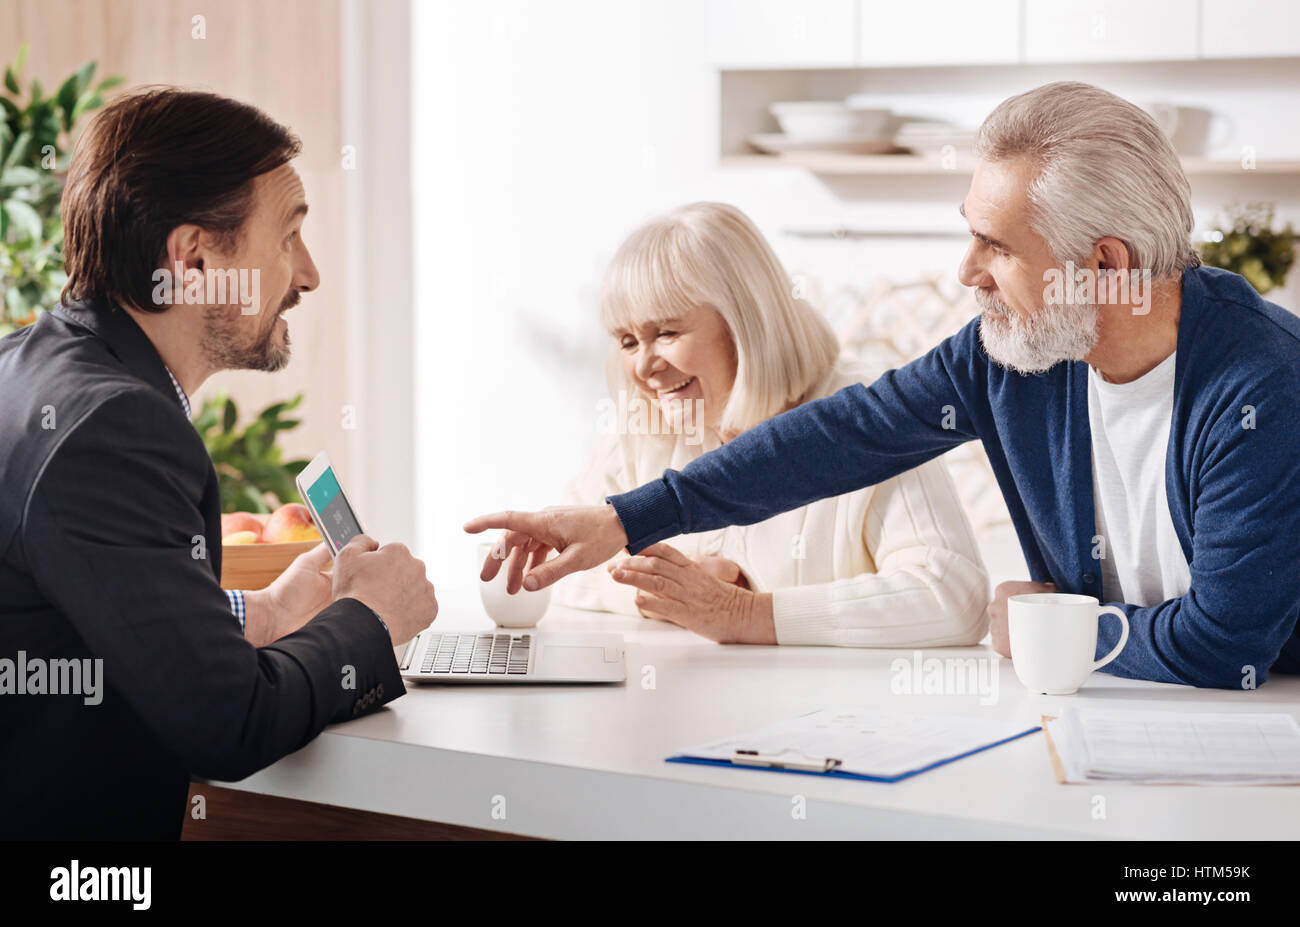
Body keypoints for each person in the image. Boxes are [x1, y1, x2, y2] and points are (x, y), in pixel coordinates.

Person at [467, 81, 1300, 690]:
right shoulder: (1017, 356)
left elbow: (1227, 646)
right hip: (1116, 714)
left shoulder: (1259, 385)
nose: (967, 271)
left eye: (995, 247)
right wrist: (623, 519)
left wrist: (1055, 629)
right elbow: (837, 437)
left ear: (1105, 266)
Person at [0, 88, 437, 839]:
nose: (308, 274)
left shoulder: (27, 366)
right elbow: (228, 724)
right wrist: (371, 618)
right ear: (195, 259)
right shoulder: (116, 426)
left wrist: (263, 612)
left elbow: (70, 618)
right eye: (288, 237)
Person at [520, 202, 988, 646]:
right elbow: (559, 569)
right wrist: (667, 597)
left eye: (666, 333)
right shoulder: (645, 426)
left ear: (746, 322)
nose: (644, 367)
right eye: (626, 341)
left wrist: (745, 613)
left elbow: (950, 595)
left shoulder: (865, 417)